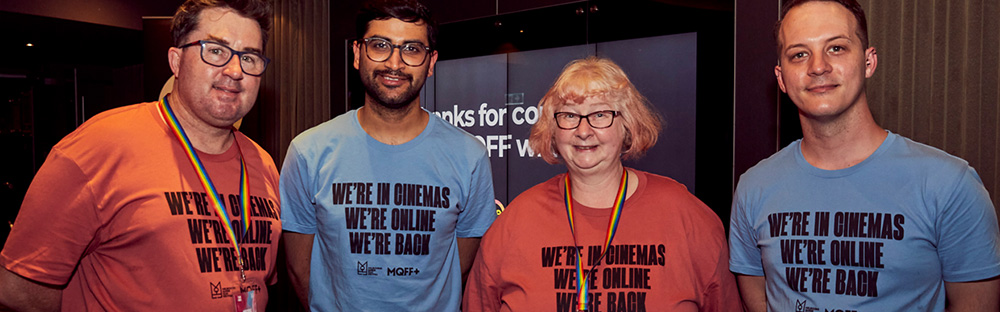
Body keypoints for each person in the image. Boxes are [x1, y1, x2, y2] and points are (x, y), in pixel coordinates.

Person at [0, 0, 281, 311]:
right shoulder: (100, 145)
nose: (234, 70)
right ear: (176, 61)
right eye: (215, 51)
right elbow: (19, 288)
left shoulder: (263, 164)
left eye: (250, 58)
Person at [728, 0, 1000, 311]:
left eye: (837, 48)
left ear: (868, 62)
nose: (818, 67)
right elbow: (759, 301)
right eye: (799, 54)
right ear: (781, 78)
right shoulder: (754, 188)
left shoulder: (949, 184)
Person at [463, 57, 741, 311]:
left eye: (600, 114)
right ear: (553, 130)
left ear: (628, 125)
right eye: (569, 115)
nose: (583, 131)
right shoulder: (516, 220)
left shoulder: (687, 216)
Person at [279, 0, 496, 310]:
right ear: (357, 54)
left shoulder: (469, 156)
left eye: (412, 49)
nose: (394, 64)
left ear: (431, 62)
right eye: (380, 45)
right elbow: (300, 274)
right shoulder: (308, 151)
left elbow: (458, 267)